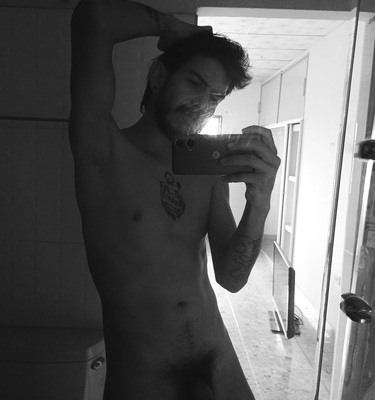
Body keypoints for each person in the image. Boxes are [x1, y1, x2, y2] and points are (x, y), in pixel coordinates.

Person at [69, 0, 280, 399]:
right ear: (158, 75)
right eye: (195, 83)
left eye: (215, 96)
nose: (203, 104)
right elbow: (94, 16)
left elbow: (232, 279)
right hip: (145, 380)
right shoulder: (103, 152)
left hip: (218, 367)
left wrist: (260, 202)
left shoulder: (205, 170)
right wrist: (180, 30)